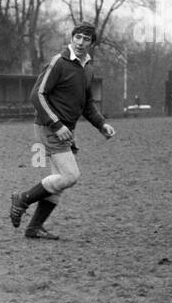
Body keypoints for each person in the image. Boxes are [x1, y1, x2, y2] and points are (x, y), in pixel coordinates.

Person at [9, 23, 115, 240]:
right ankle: (23, 198)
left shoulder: (88, 68)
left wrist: (101, 124)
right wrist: (56, 124)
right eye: (78, 37)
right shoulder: (59, 62)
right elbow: (37, 95)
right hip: (50, 127)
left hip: (67, 130)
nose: (80, 42)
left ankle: (34, 228)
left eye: (86, 39)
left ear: (92, 43)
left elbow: (87, 103)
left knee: (59, 181)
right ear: (72, 38)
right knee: (70, 176)